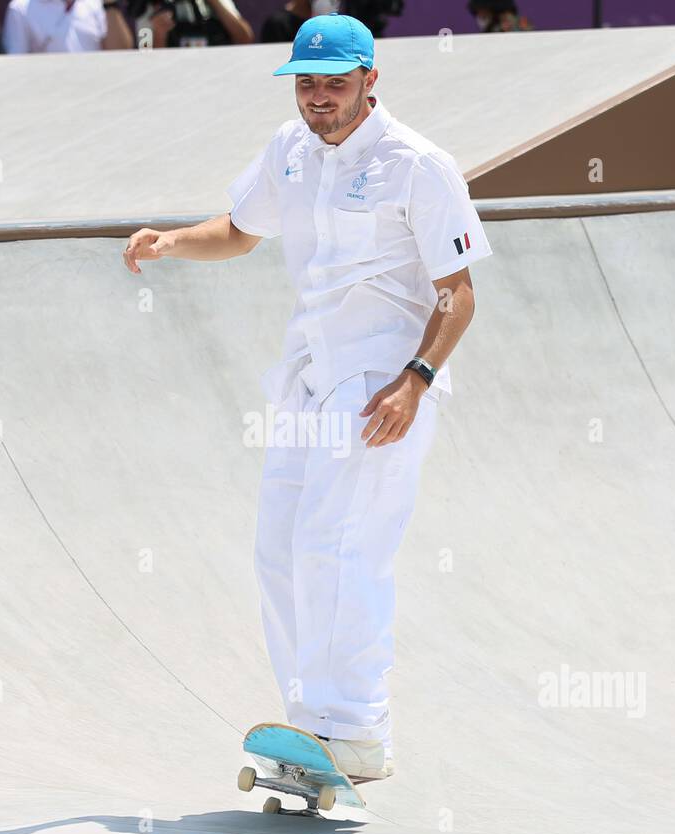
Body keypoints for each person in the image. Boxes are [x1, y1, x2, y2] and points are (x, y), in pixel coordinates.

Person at [122, 13, 491, 780]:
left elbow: (458, 295)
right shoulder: (289, 151)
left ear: (369, 79)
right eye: (307, 84)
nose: (319, 99)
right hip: (308, 380)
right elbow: (241, 229)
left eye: (335, 83)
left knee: (340, 550)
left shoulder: (417, 165)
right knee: (280, 553)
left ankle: (356, 730)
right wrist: (170, 242)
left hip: (380, 384)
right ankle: (311, 726)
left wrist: (414, 381)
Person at [3, 0, 133, 54]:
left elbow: (120, 51)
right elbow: (15, 62)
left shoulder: (96, 3)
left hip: (97, 93)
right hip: (50, 98)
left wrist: (110, 4)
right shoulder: (20, 8)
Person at [136, 0, 253, 47]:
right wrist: (159, 34)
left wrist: (215, 4)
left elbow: (245, 38)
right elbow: (144, 53)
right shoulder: (147, 5)